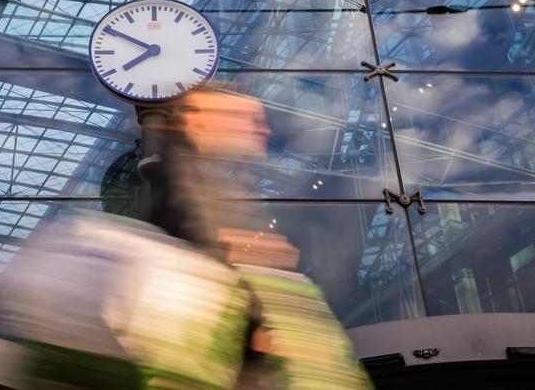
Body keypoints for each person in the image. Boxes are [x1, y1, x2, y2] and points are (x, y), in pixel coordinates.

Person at [141, 85, 373, 390]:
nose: (264, 128)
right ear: (200, 118)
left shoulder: (219, 185)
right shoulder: (181, 184)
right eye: (249, 118)